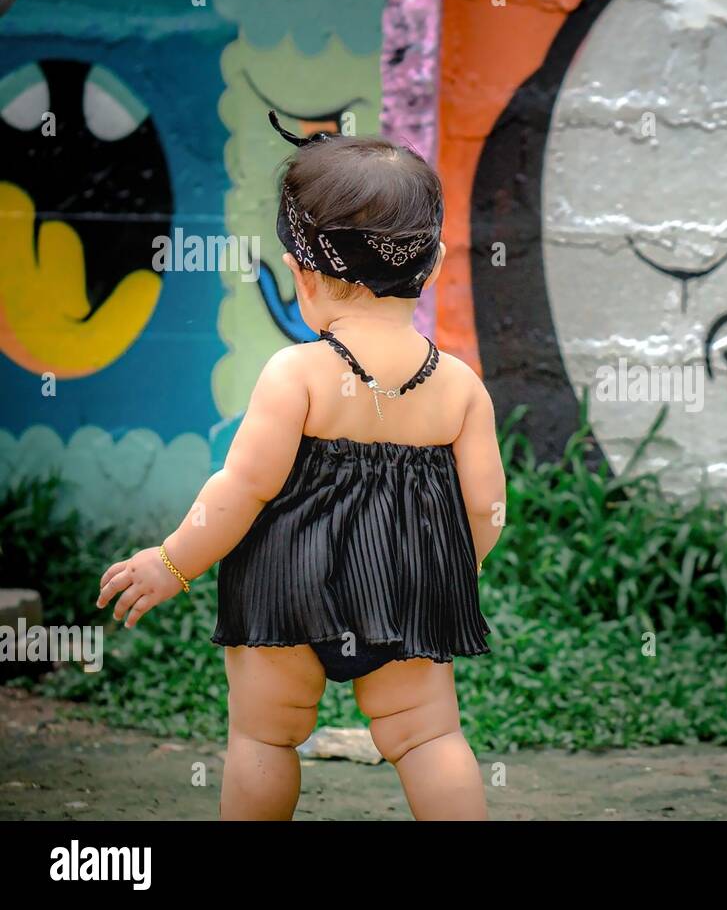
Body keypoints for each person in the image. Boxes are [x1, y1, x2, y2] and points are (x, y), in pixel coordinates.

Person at [97, 112, 506, 820]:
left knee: (264, 736)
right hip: (405, 587)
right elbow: (484, 506)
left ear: (300, 272)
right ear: (433, 264)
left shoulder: (298, 374)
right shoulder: (461, 386)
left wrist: (174, 563)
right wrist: (448, 570)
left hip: (286, 586)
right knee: (430, 736)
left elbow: (242, 489)